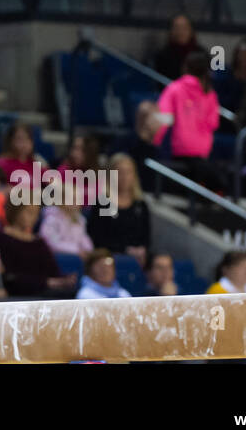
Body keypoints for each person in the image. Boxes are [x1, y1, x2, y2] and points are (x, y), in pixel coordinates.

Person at [152, 50, 222, 190]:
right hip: (202, 152)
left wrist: (154, 144)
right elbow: (213, 123)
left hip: (178, 150)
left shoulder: (175, 88)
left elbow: (163, 119)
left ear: (185, 67)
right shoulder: (210, 93)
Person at [0, 200, 75, 297]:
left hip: (47, 292)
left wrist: (66, 279)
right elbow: (9, 276)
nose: (33, 217)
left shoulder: (39, 242)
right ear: (16, 211)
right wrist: (46, 282)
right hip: (19, 294)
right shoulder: (1, 238)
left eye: (36, 213)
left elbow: (53, 271)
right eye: (29, 212)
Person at [88, 153, 152, 263]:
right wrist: (125, 250)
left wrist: (141, 250)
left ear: (134, 175)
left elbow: (146, 238)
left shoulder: (141, 205)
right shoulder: (102, 203)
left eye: (128, 172)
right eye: (120, 172)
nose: (124, 177)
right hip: (108, 259)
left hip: (137, 260)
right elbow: (97, 238)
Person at [153, 13, 202, 79]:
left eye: (184, 28)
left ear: (191, 30)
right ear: (171, 31)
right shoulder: (162, 56)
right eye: (177, 28)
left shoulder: (201, 55)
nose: (181, 32)